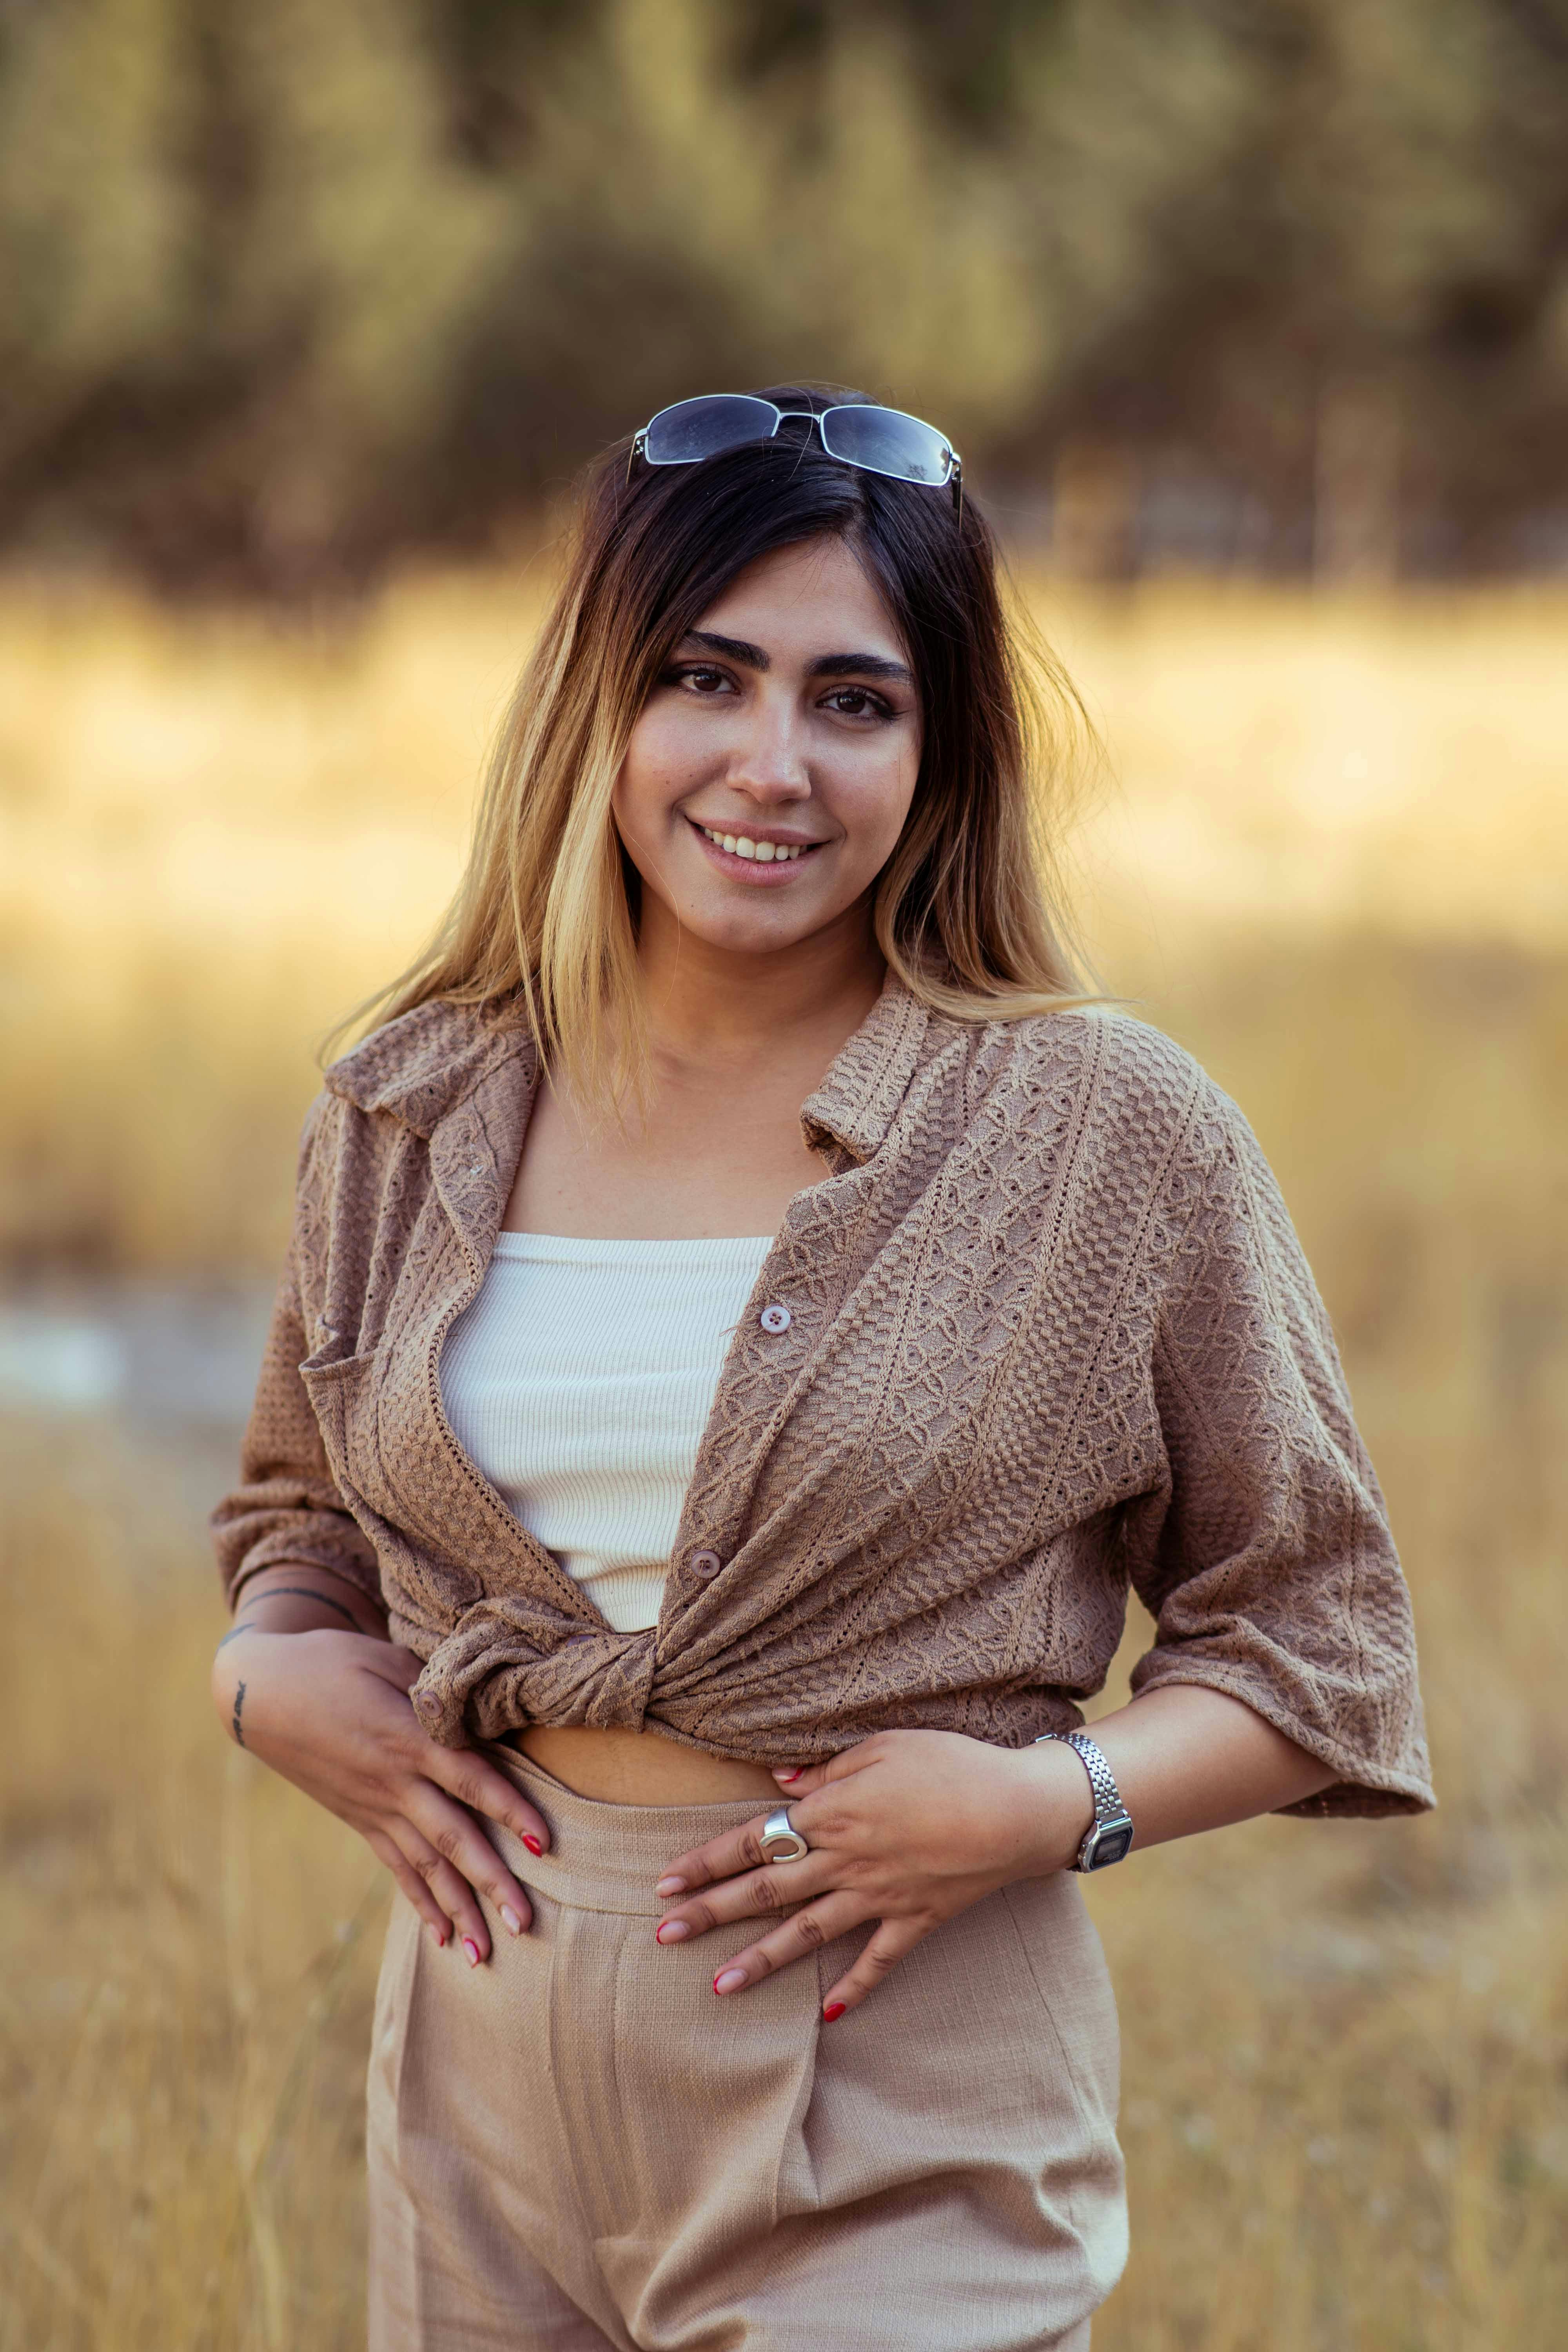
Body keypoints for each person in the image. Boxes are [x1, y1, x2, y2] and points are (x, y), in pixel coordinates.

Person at [210, 386, 1432, 2352]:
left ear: (940, 755)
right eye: (707, 678)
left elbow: (1322, 1643)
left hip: (900, 2073)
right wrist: (266, 1669)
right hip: (478, 2079)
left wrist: (1059, 1807)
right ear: (595, 705)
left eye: (855, 701)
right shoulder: (408, 1099)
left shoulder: (1099, 1128)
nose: (772, 765)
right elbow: (297, 1515)